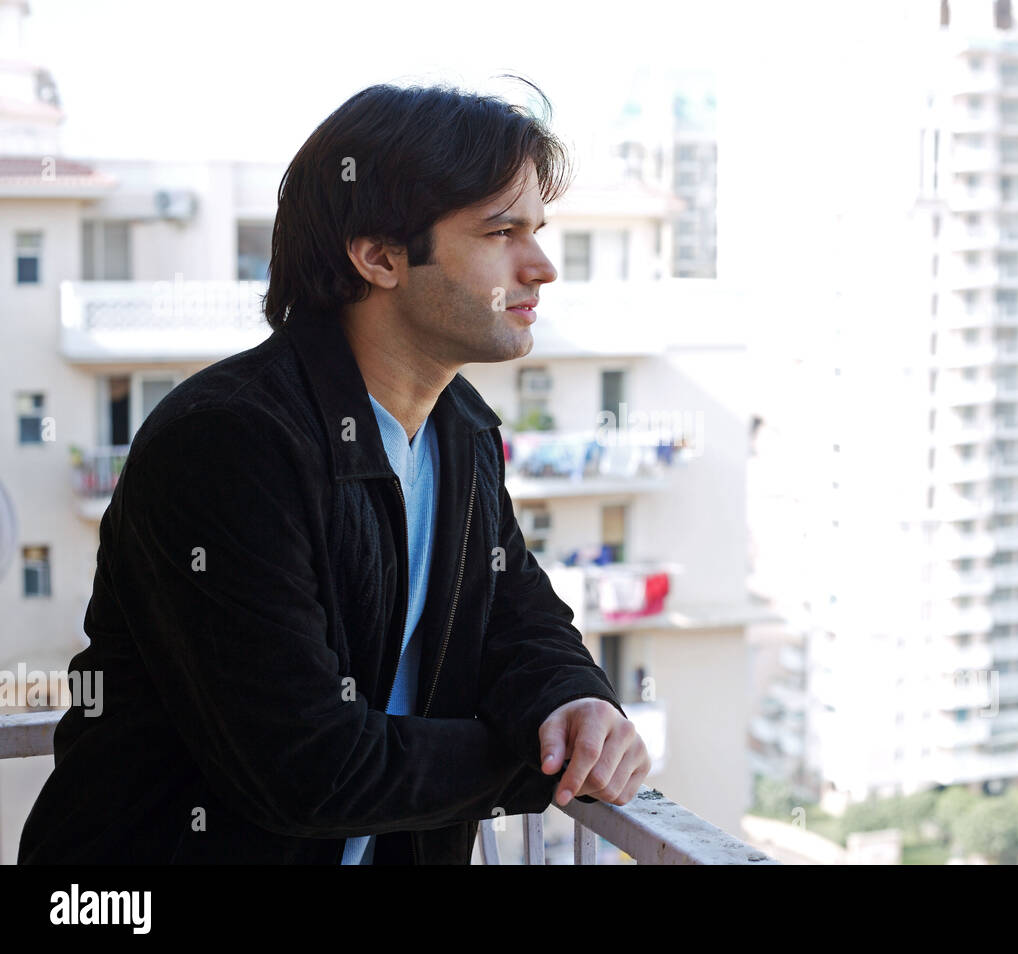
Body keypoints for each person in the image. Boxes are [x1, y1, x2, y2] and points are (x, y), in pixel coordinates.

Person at [19, 78, 650, 864]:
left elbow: (517, 622)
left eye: (538, 229)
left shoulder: (461, 433)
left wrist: (576, 703)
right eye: (502, 232)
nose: (542, 266)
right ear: (379, 257)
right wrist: (539, 764)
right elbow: (305, 765)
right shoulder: (229, 444)